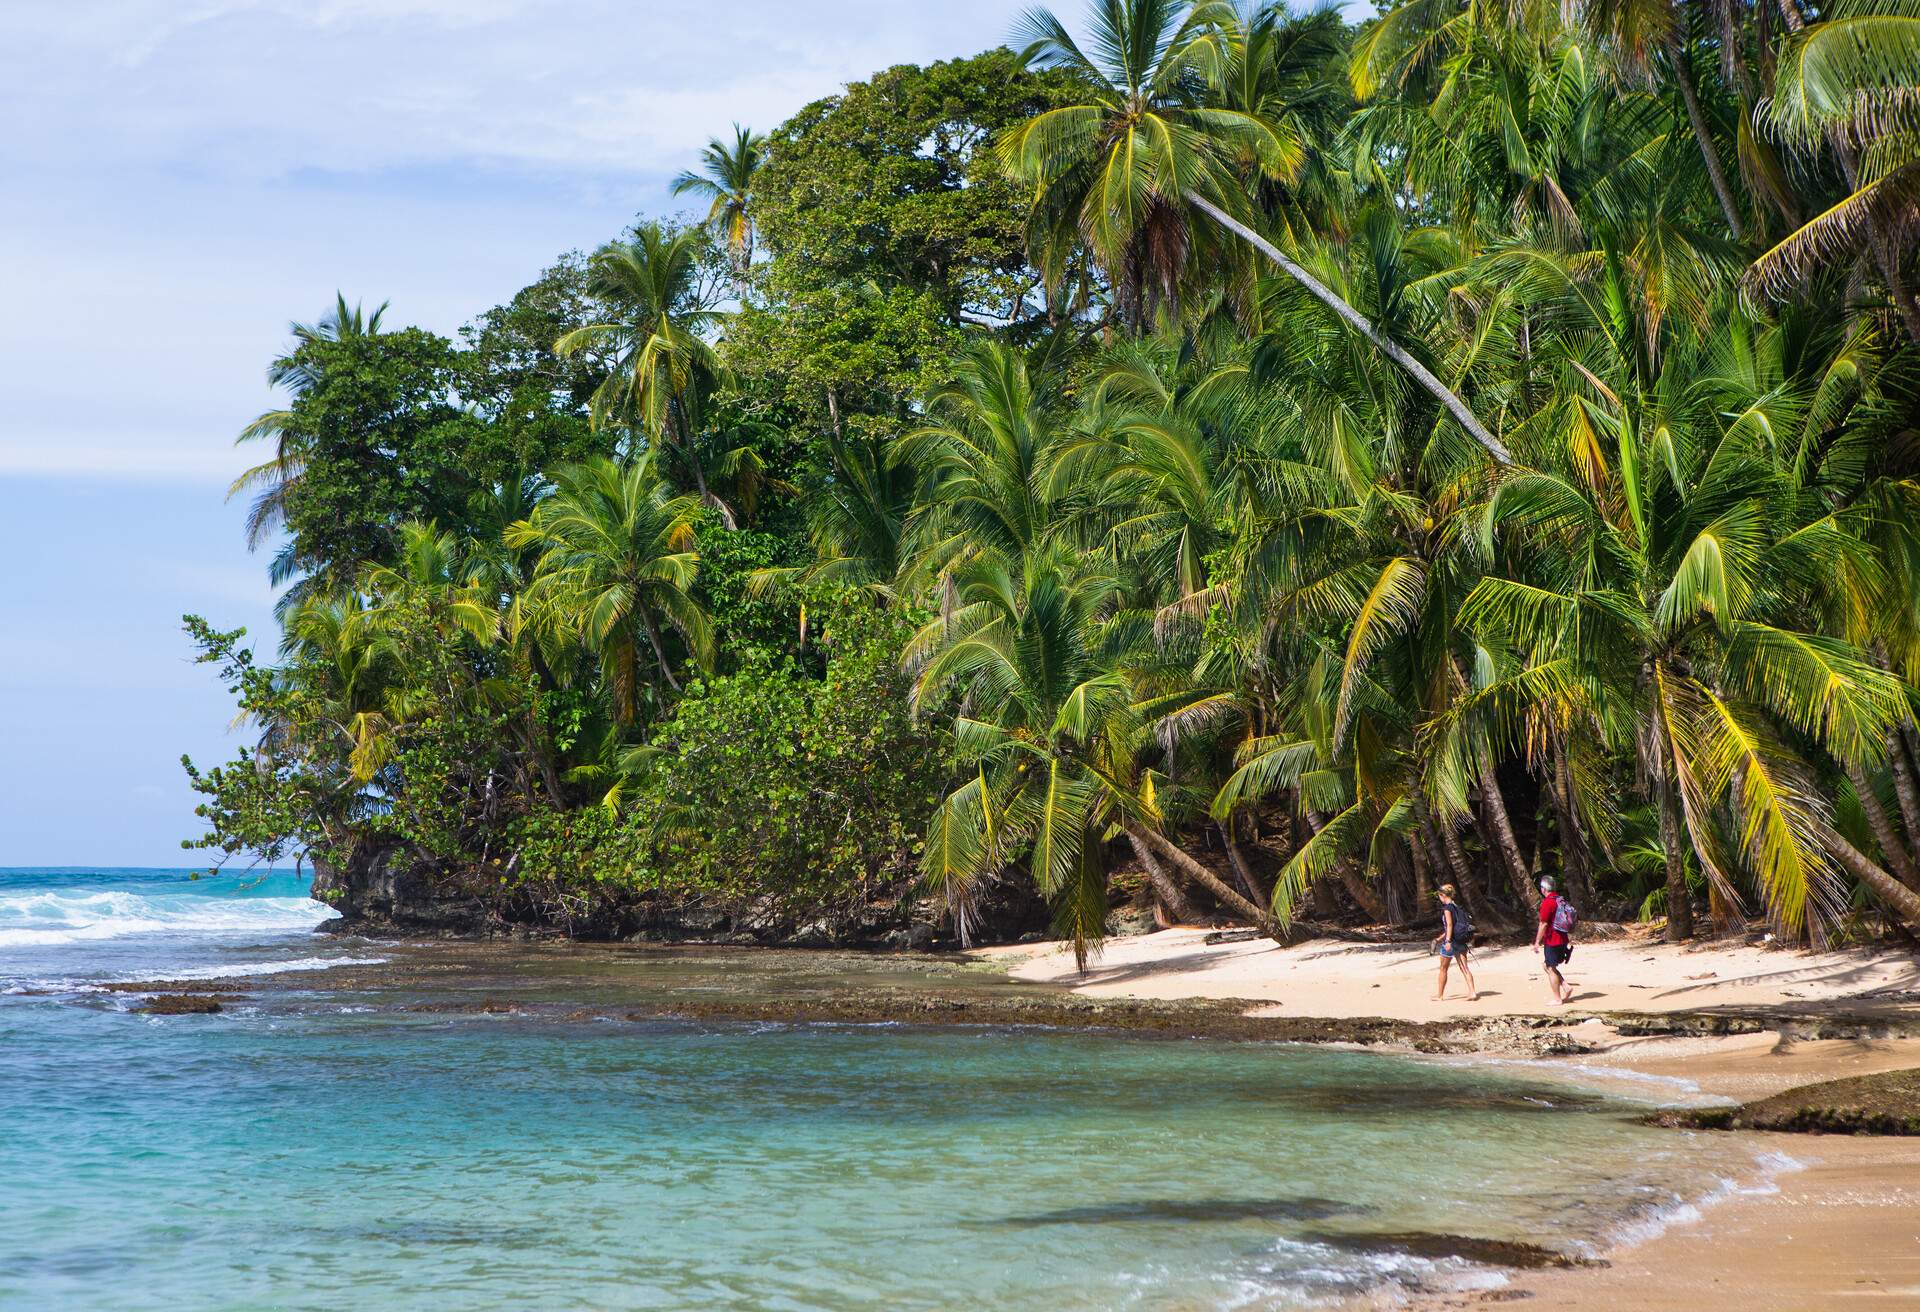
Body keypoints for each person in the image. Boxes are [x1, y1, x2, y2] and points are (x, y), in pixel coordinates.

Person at [1430, 884, 1478, 1002]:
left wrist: (1447, 941)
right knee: (1464, 967)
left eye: (1439, 896)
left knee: (1443, 968)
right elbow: (1452, 927)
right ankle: (1472, 992)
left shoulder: (1447, 908)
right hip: (1461, 940)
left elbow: (1450, 925)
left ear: (1443, 895)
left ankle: (1440, 995)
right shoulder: (1457, 907)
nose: (1439, 898)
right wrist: (1439, 938)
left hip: (1451, 942)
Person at [1535, 876, 1575, 1004]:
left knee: (1550, 968)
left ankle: (1557, 999)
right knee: (1546, 965)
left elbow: (1543, 924)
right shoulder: (1559, 899)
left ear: (1544, 889)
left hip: (1553, 940)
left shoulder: (1548, 902)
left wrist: (1536, 942)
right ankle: (1565, 986)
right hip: (1563, 938)